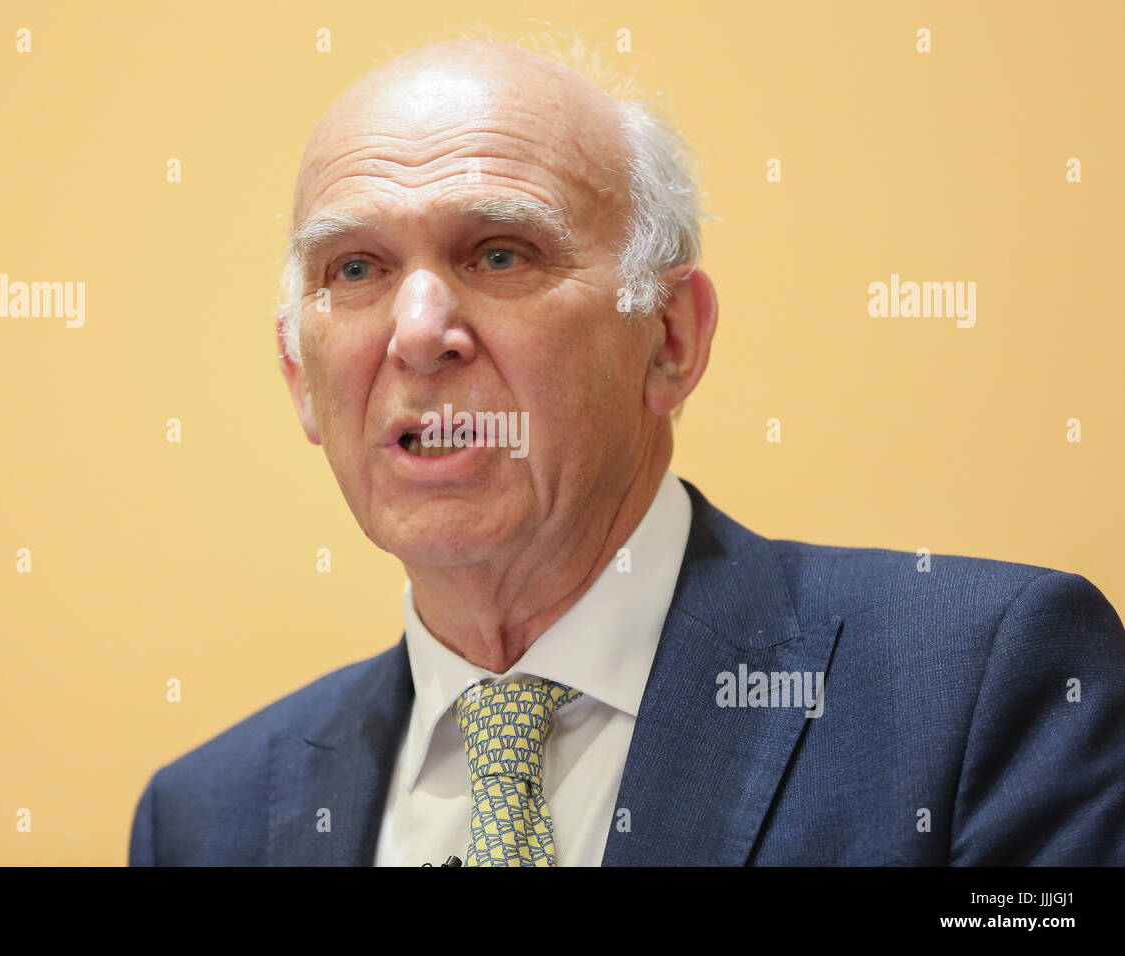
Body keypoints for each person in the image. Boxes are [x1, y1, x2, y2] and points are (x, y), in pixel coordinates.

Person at [129, 36, 1125, 866]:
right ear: (302, 377)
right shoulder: (204, 819)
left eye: (499, 253)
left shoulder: (984, 687)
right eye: (356, 268)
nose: (418, 328)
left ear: (670, 337)